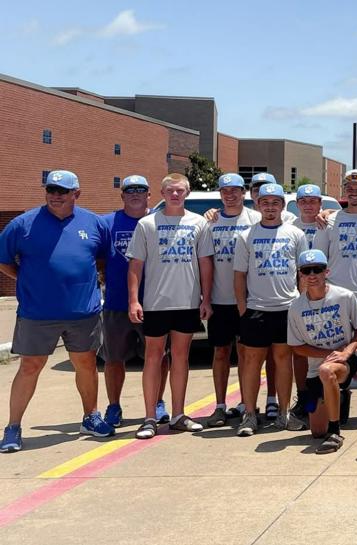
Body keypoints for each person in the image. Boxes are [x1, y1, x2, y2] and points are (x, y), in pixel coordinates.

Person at [1, 171, 114, 453]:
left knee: (86, 364)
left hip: (83, 313)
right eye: (51, 189)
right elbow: (4, 261)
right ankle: (13, 428)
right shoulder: (22, 224)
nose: (56, 195)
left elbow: (101, 259)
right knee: (30, 367)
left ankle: (90, 417)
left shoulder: (94, 223)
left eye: (63, 191)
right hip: (37, 313)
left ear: (77, 193)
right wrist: (28, 281)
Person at [127, 173, 214, 439]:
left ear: (187, 192)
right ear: (162, 193)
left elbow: (205, 263)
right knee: (153, 357)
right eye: (170, 191)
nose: (175, 195)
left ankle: (178, 414)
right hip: (155, 303)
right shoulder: (147, 224)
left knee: (181, 357)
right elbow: (136, 265)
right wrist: (134, 299)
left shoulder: (198, 223)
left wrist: (206, 298)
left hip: (187, 302)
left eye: (179, 191)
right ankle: (150, 417)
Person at [233, 183, 308, 436]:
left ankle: (284, 414)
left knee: (283, 360)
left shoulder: (295, 234)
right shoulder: (247, 236)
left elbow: (303, 273)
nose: (270, 207)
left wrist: (302, 303)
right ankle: (250, 414)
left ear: (283, 206)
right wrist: (243, 308)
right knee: (252, 363)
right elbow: (239, 275)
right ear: (257, 205)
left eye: (275, 203)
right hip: (256, 309)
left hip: (287, 307)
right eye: (265, 203)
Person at [314, 170, 357, 424]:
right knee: (334, 349)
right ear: (344, 191)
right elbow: (319, 259)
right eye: (349, 188)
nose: (354, 192)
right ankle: (335, 403)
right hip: (336, 295)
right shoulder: (329, 221)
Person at [99, 175, 170, 428]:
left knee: (159, 357)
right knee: (113, 359)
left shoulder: (160, 221)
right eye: (130, 190)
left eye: (141, 190)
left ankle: (158, 402)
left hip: (155, 303)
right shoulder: (107, 223)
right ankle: (114, 406)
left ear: (150, 195)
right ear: (122, 195)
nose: (135, 194)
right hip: (117, 304)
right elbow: (97, 257)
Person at [287, 249, 357, 455]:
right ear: (300, 275)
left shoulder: (345, 296)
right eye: (306, 270)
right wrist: (328, 353)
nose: (312, 275)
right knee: (315, 432)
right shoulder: (295, 308)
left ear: (326, 272)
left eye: (317, 270)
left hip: (344, 363)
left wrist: (347, 351)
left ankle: (335, 430)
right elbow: (296, 346)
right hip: (317, 367)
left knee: (327, 371)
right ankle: (339, 400)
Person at [202, 172, 261, 427]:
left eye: (235, 190)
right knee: (220, 352)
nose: (230, 195)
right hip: (219, 298)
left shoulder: (255, 219)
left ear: (244, 193)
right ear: (220, 195)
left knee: (248, 354)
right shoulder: (210, 222)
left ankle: (247, 404)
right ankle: (220, 406)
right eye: (225, 191)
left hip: (249, 299)